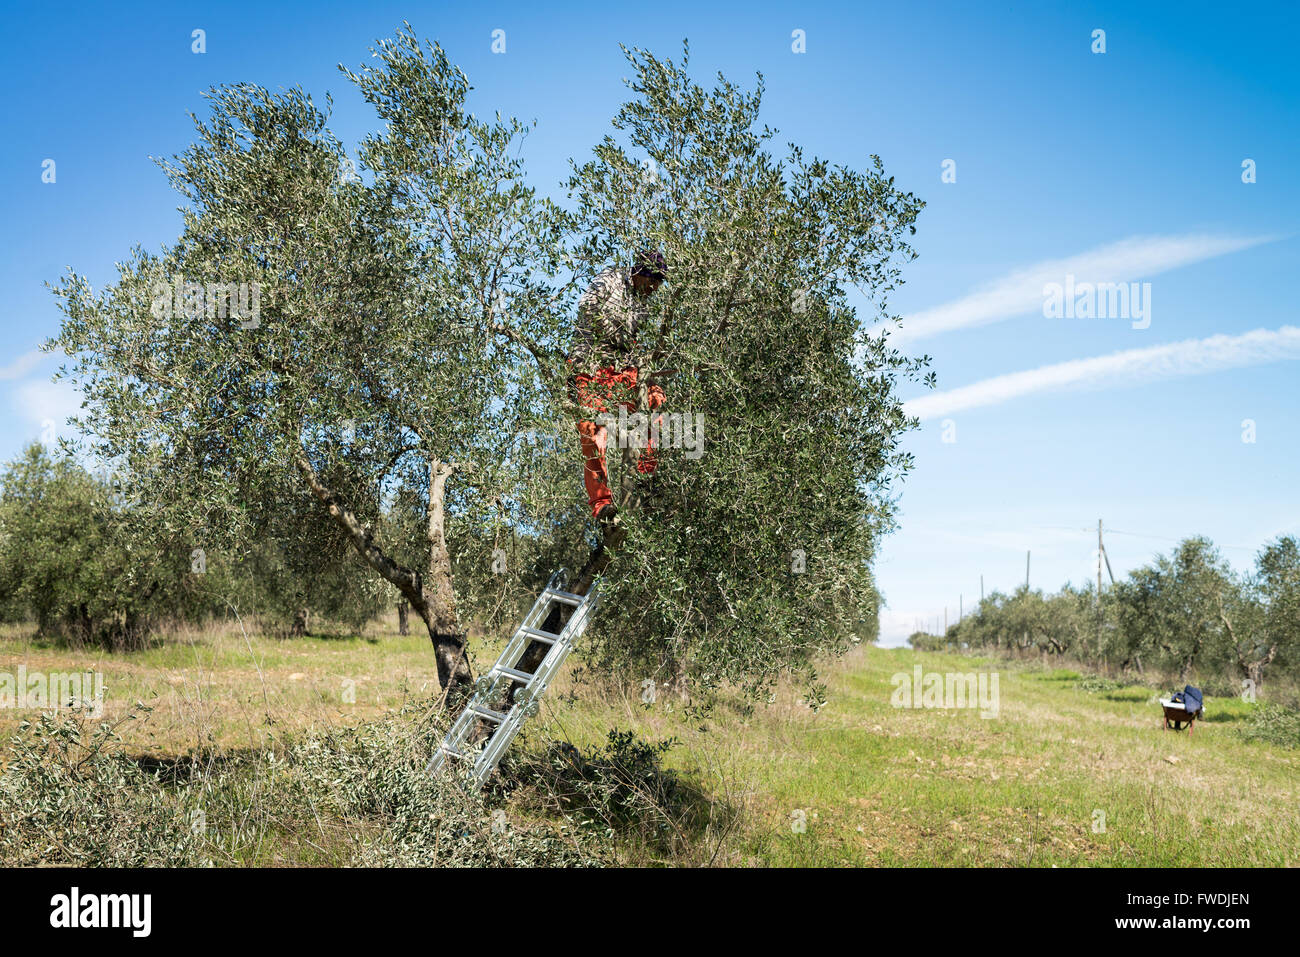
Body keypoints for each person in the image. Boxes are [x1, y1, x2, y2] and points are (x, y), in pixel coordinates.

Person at [569, 249, 667, 525]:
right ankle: (601, 504)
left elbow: (638, 342)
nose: (654, 289)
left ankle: (646, 477)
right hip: (591, 365)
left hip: (623, 367)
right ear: (639, 274)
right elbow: (586, 308)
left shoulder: (644, 302)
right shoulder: (610, 278)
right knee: (592, 434)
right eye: (651, 283)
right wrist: (616, 334)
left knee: (654, 401)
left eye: (658, 285)